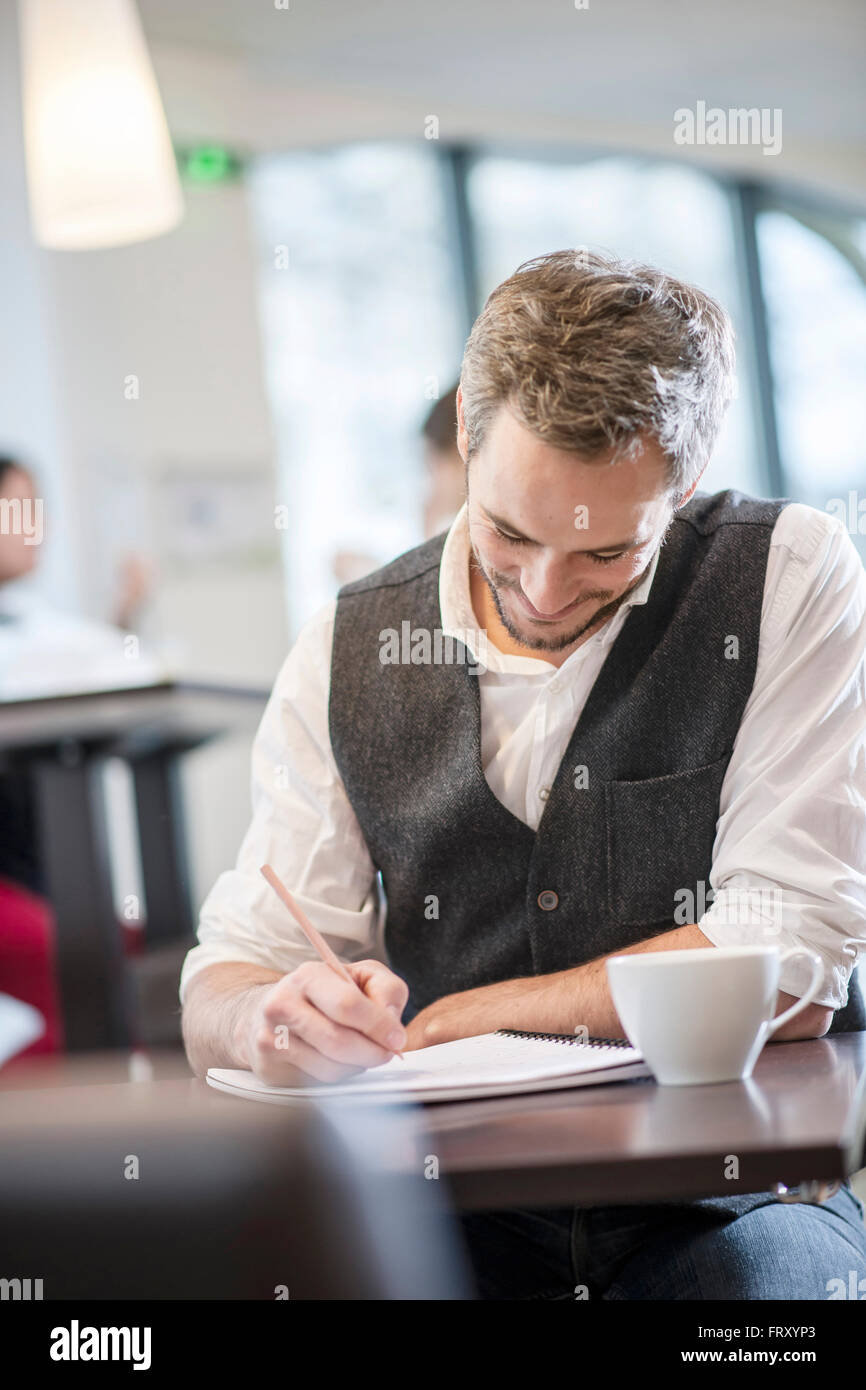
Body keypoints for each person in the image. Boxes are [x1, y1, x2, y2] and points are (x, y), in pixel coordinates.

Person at [180, 250, 866, 1299]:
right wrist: (274, 1019)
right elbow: (228, 974)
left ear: (679, 482)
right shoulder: (348, 641)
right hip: (452, 1209)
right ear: (464, 432)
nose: (544, 591)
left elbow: (789, 953)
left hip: (731, 1200)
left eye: (603, 552)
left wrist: (472, 1013)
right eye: (507, 531)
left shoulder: (785, 575)